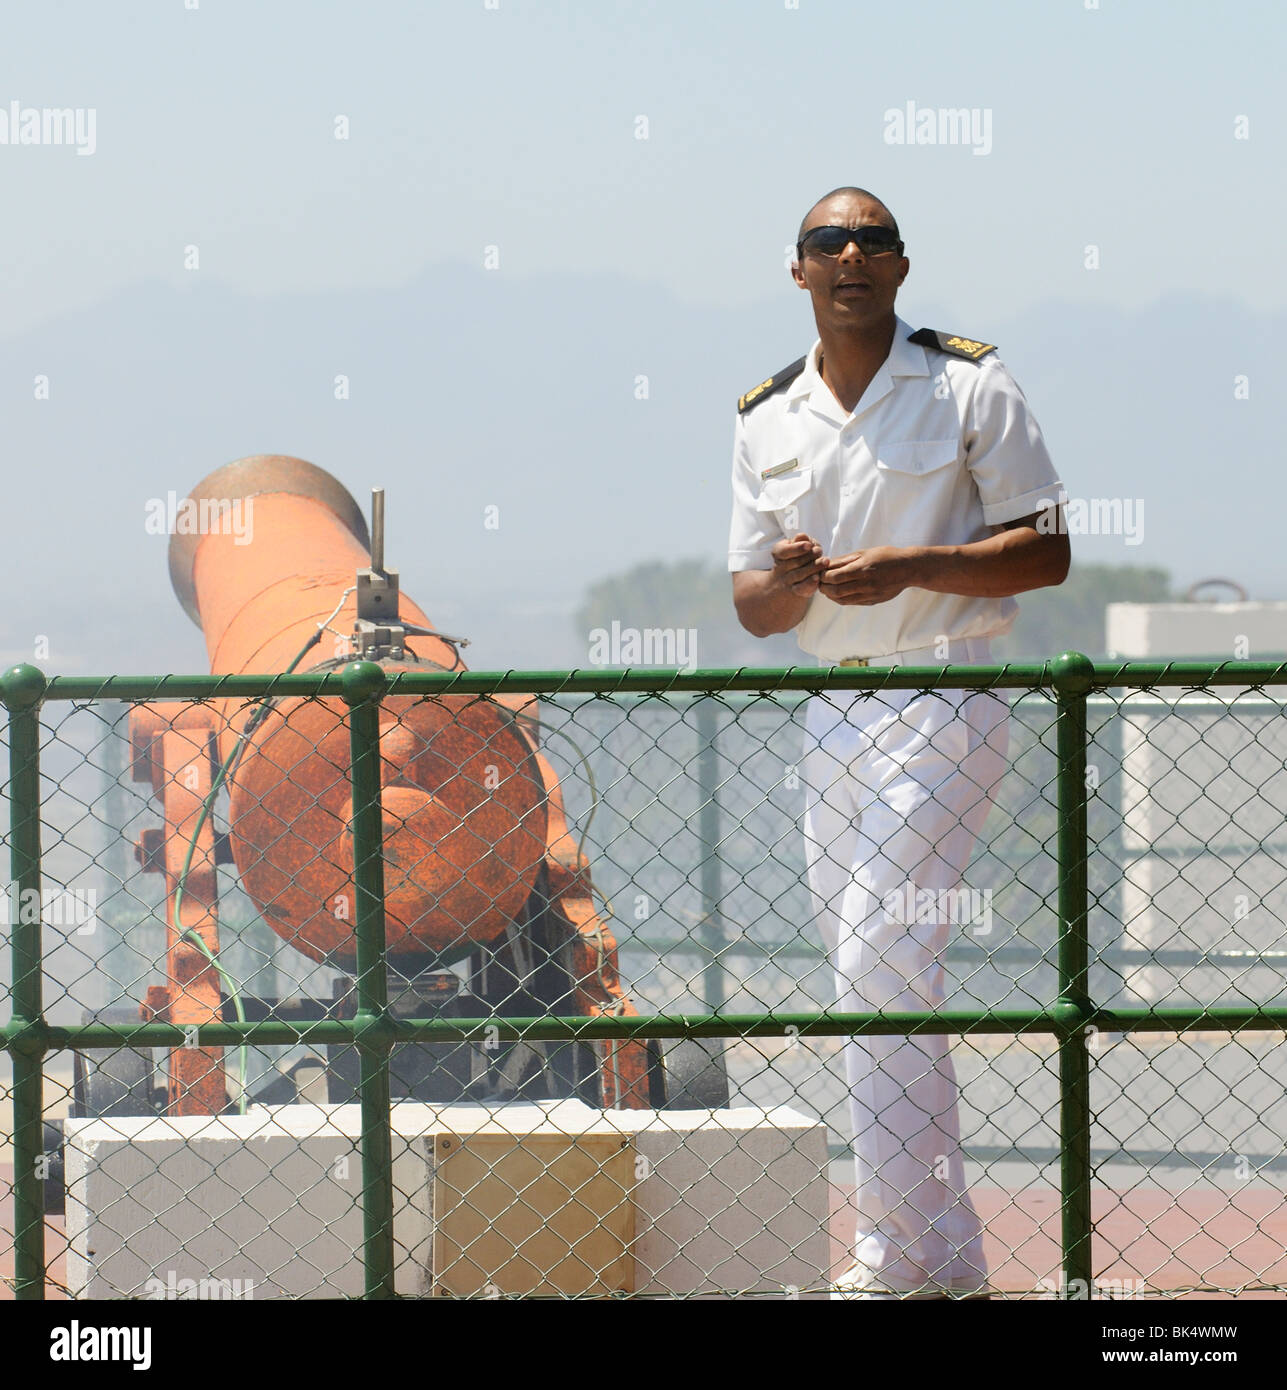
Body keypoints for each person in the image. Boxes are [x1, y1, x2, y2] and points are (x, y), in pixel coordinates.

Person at [727, 186, 1069, 1299]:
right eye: (829, 243)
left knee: (876, 954)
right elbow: (752, 606)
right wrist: (781, 585)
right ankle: (945, 1259)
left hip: (943, 692)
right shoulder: (764, 415)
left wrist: (912, 568)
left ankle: (890, 1254)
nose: (851, 257)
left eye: (873, 240)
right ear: (798, 273)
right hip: (833, 706)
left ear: (902, 266)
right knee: (875, 976)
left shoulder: (969, 380)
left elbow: (1046, 552)